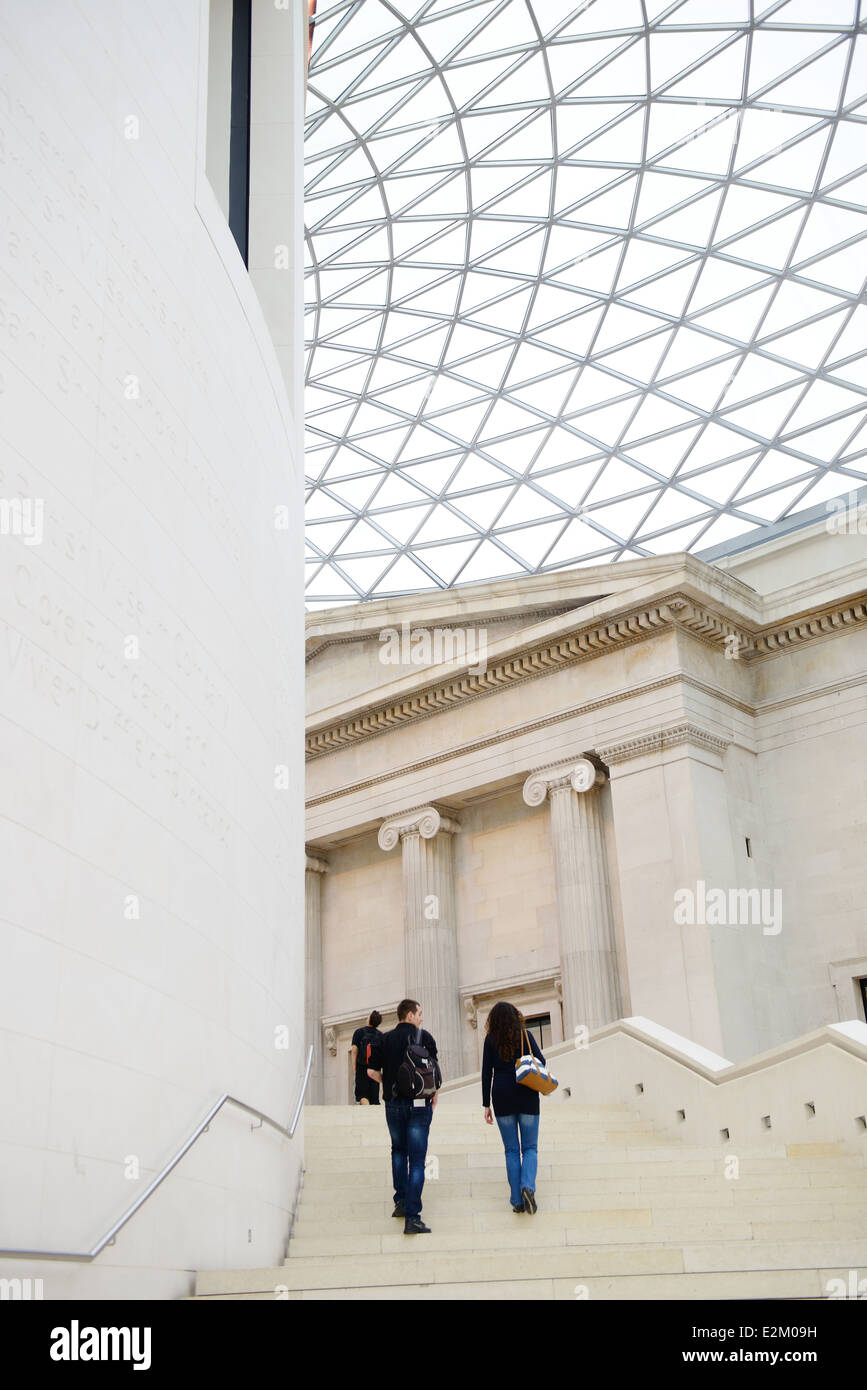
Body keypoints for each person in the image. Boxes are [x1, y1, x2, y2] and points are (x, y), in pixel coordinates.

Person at [367, 998, 439, 1235]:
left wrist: (387, 1084)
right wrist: (434, 1095)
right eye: (419, 1013)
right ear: (409, 1015)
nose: (421, 1018)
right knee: (417, 1160)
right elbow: (434, 1072)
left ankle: (400, 1201)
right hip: (419, 1105)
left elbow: (371, 1072)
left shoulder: (384, 1039)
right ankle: (413, 1217)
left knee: (398, 1150)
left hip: (393, 1104)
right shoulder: (424, 1037)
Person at [482, 1001, 545, 1214]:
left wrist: (486, 1104)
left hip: (501, 1097)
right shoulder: (525, 1035)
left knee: (511, 1150)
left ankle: (517, 1200)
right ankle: (528, 1186)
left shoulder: (490, 1040)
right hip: (526, 1094)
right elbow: (541, 1062)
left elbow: (486, 1073)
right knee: (530, 1148)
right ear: (515, 1016)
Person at [350, 1010, 384, 1105]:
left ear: (369, 1019)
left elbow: (354, 1050)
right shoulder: (380, 1035)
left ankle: (366, 1111)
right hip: (375, 1069)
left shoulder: (359, 1032)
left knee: (362, 1095)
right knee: (374, 1097)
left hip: (362, 1067)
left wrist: (354, 1067)